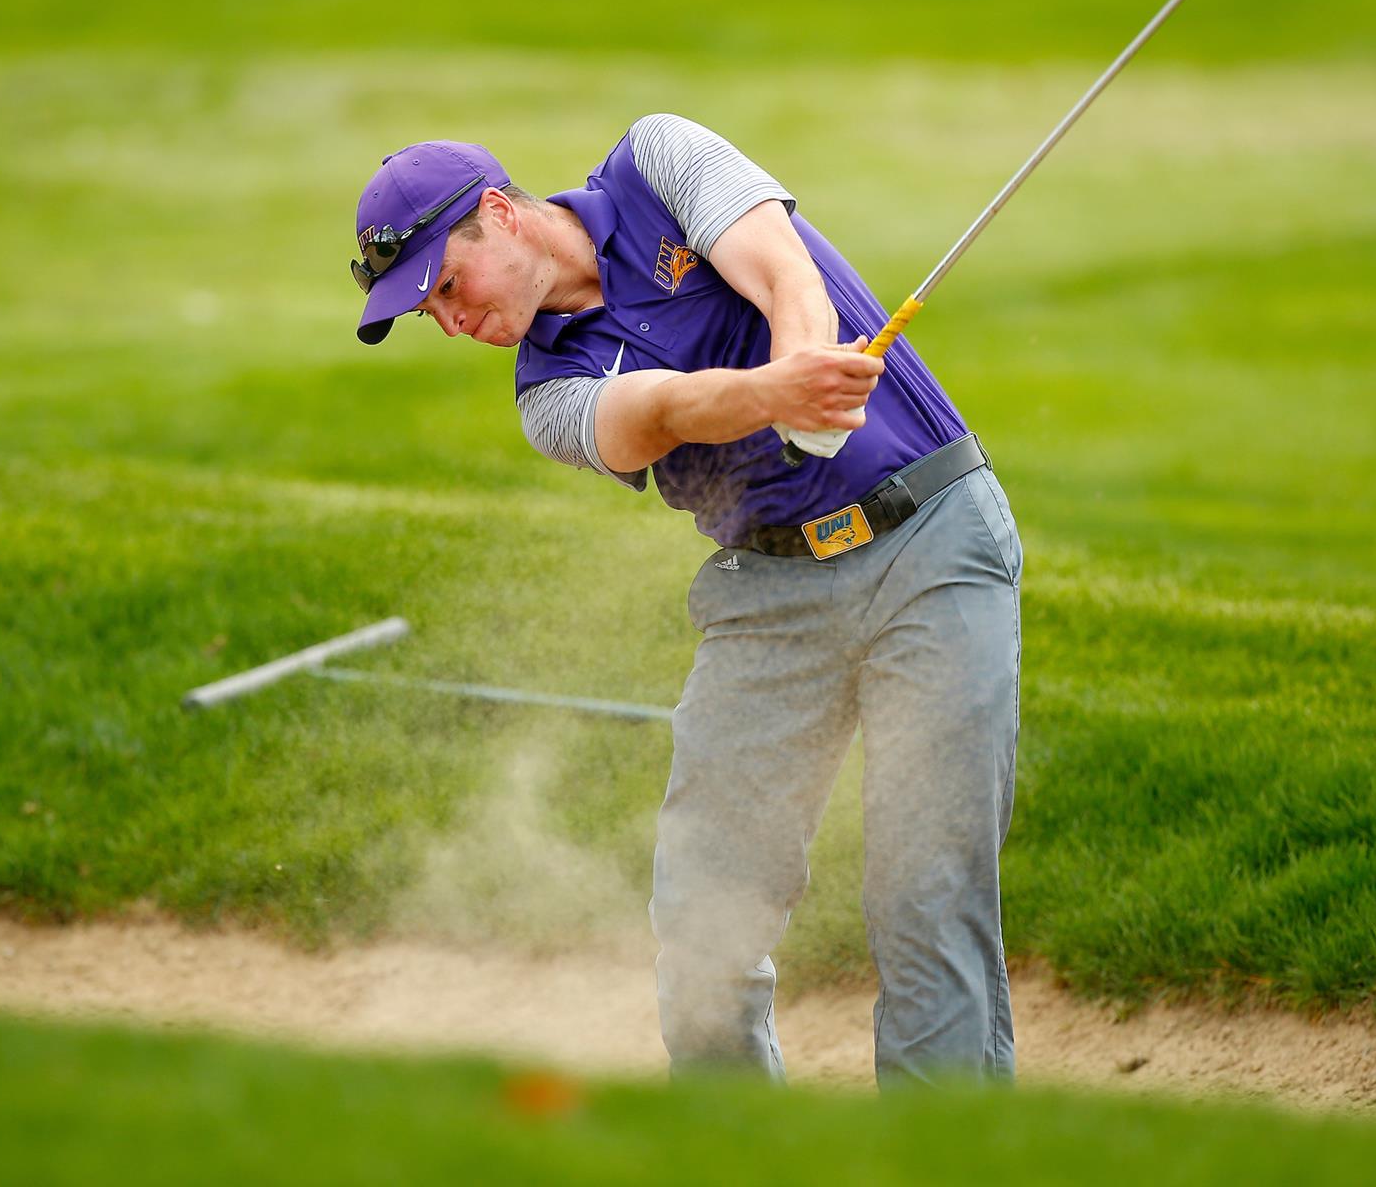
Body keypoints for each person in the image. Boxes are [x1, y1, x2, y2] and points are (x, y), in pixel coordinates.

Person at [347, 116, 1023, 1084]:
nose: (452, 323)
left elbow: (784, 274)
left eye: (446, 288)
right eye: (429, 316)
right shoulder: (547, 393)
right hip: (765, 598)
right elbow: (657, 414)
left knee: (924, 890)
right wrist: (774, 396)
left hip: (931, 540)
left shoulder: (654, 162)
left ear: (497, 214)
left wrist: (803, 376)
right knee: (706, 910)